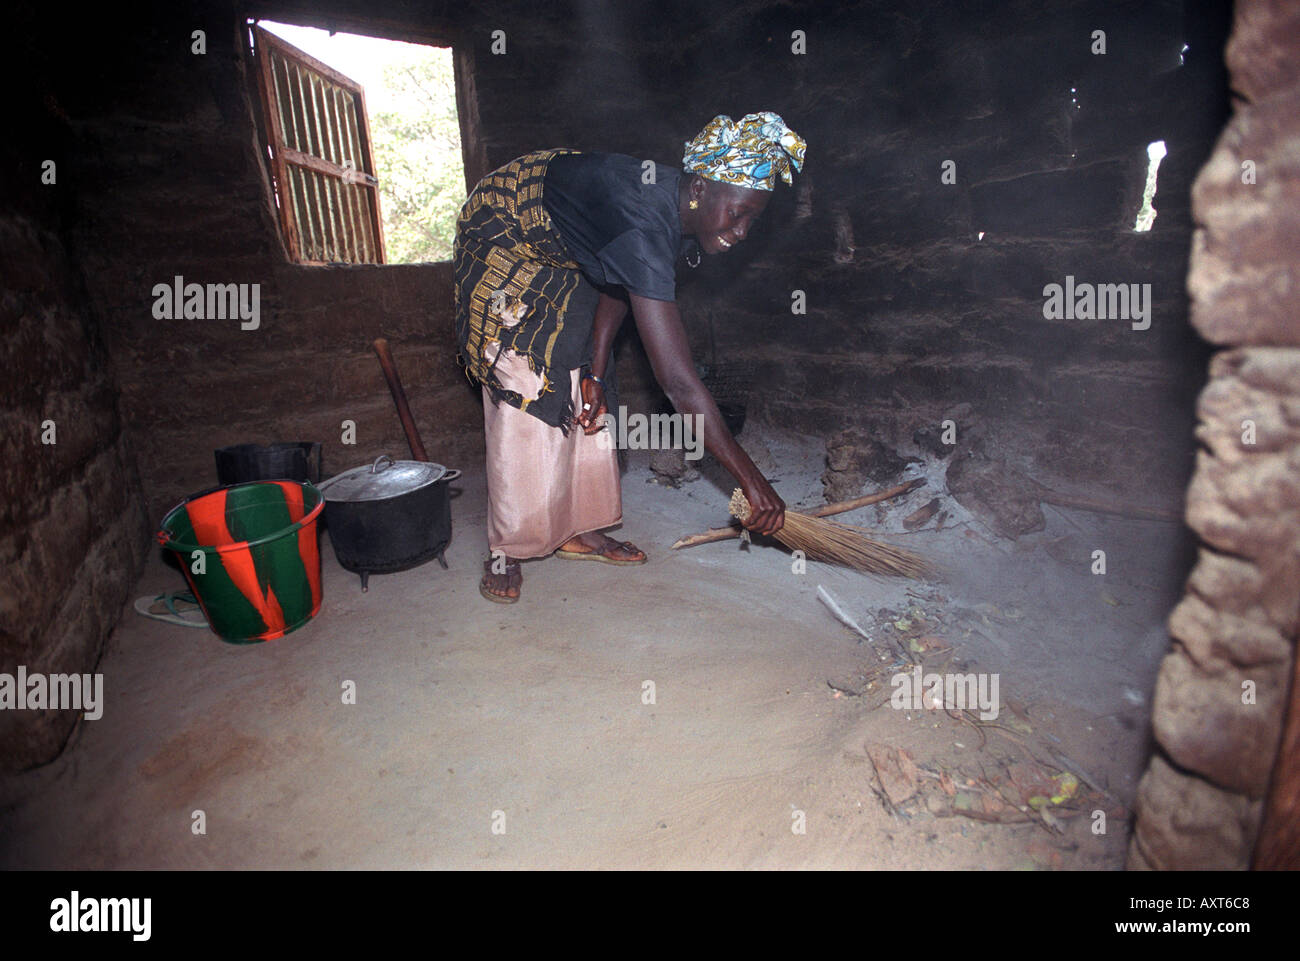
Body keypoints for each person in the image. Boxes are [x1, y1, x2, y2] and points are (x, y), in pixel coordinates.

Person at [453, 112, 806, 602]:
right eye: (739, 212)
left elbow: (620, 277)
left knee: (583, 377)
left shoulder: (675, 213)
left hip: (563, 245)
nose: (743, 231)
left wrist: (596, 369)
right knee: (525, 370)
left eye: (753, 219)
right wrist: (752, 481)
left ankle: (579, 528)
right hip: (505, 229)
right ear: (701, 187)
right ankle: (508, 547)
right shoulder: (644, 220)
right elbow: (678, 382)